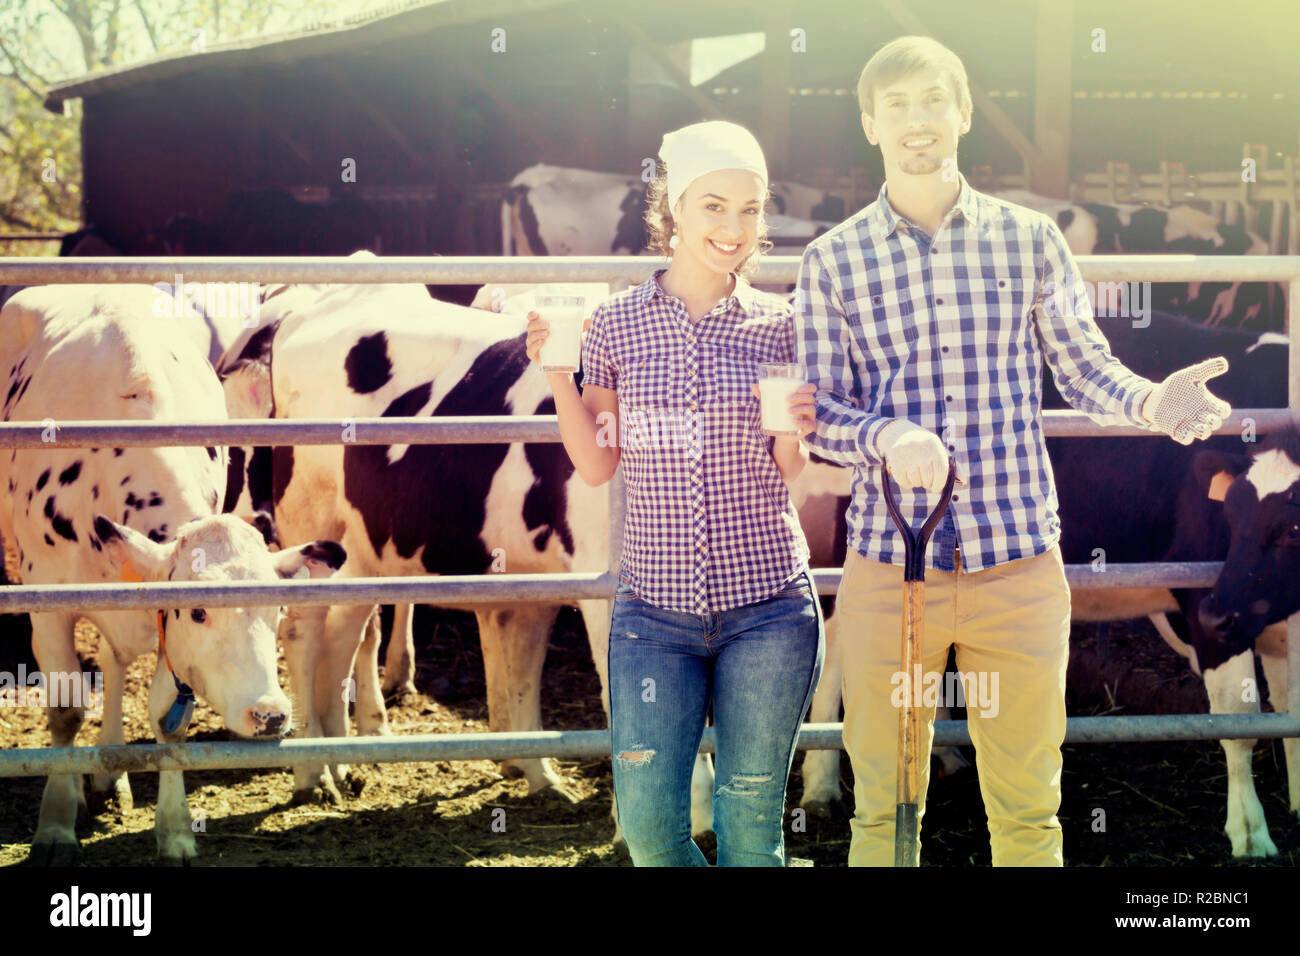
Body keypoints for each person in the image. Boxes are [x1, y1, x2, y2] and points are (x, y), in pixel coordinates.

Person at [795, 35, 1231, 866]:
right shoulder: (832, 260)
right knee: (885, 813)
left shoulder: (1031, 240)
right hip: (893, 573)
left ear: (963, 113)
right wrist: (884, 434)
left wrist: (1149, 402)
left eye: (933, 102)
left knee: (1030, 815)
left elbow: (1082, 366)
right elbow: (820, 416)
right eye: (897, 106)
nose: (917, 122)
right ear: (869, 124)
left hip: (1019, 565)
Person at [525, 120, 825, 866]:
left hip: (769, 608)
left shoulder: (781, 326)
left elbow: (783, 468)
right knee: (654, 836)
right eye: (714, 206)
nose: (734, 227)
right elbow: (597, 465)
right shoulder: (616, 327)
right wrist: (558, 374)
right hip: (653, 617)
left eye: (751, 209)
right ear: (674, 209)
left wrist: (800, 427)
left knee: (752, 834)